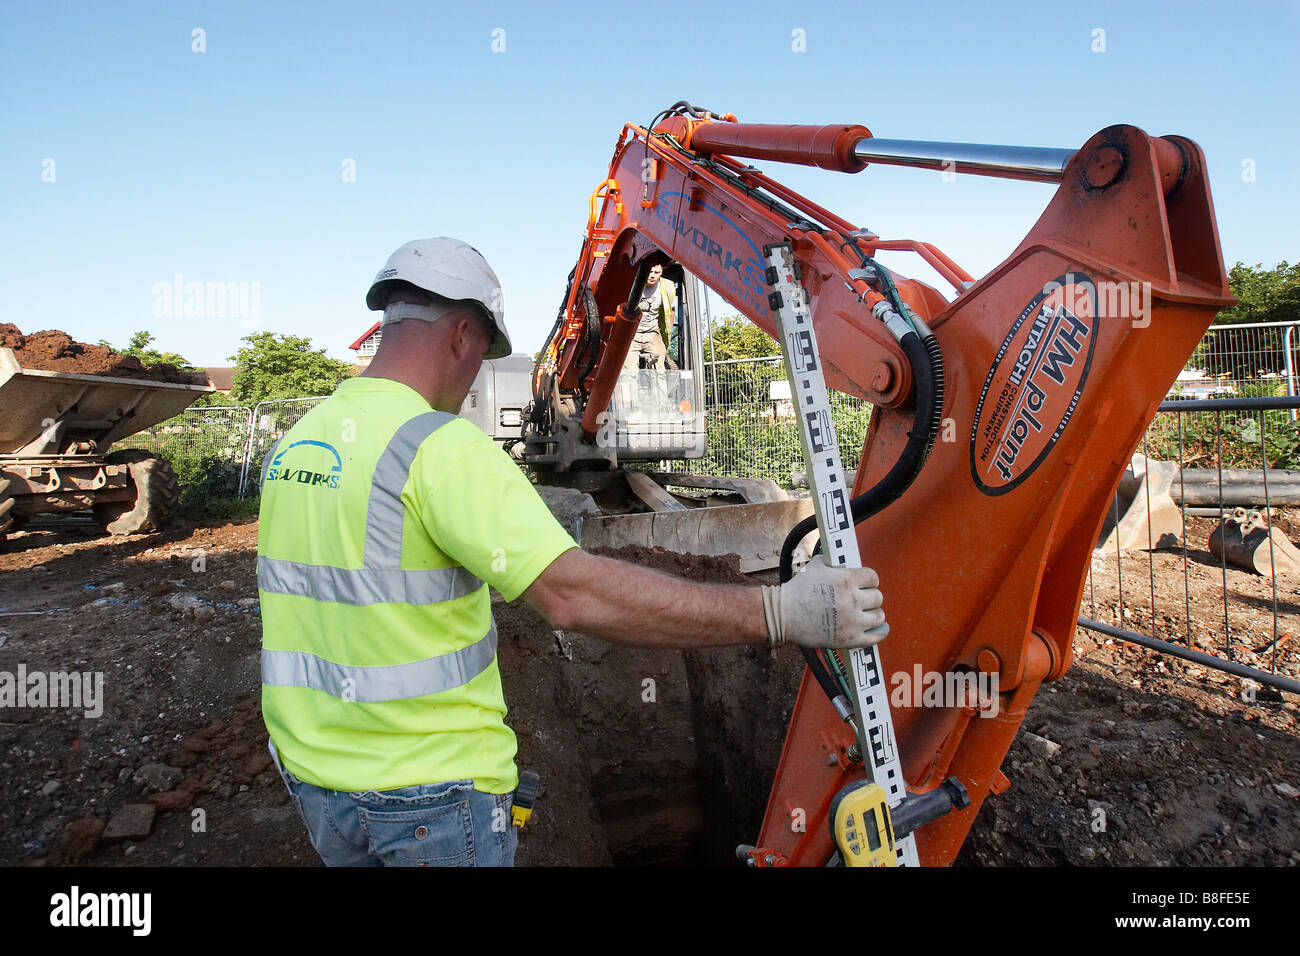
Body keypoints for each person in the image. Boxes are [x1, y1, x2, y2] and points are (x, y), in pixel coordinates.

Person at [257, 237, 889, 867]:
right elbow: (570, 593)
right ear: (459, 334)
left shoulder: (298, 444)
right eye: (482, 351)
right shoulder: (436, 448)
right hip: (429, 796)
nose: (478, 367)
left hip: (318, 784)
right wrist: (780, 614)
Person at [622, 262, 675, 374]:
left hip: (652, 332)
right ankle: (630, 392)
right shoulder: (629, 284)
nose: (652, 275)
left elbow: (670, 312)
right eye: (650, 272)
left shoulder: (667, 287)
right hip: (632, 333)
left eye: (656, 272)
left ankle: (660, 392)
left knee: (659, 372)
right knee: (629, 373)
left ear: (661, 272)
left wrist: (667, 337)